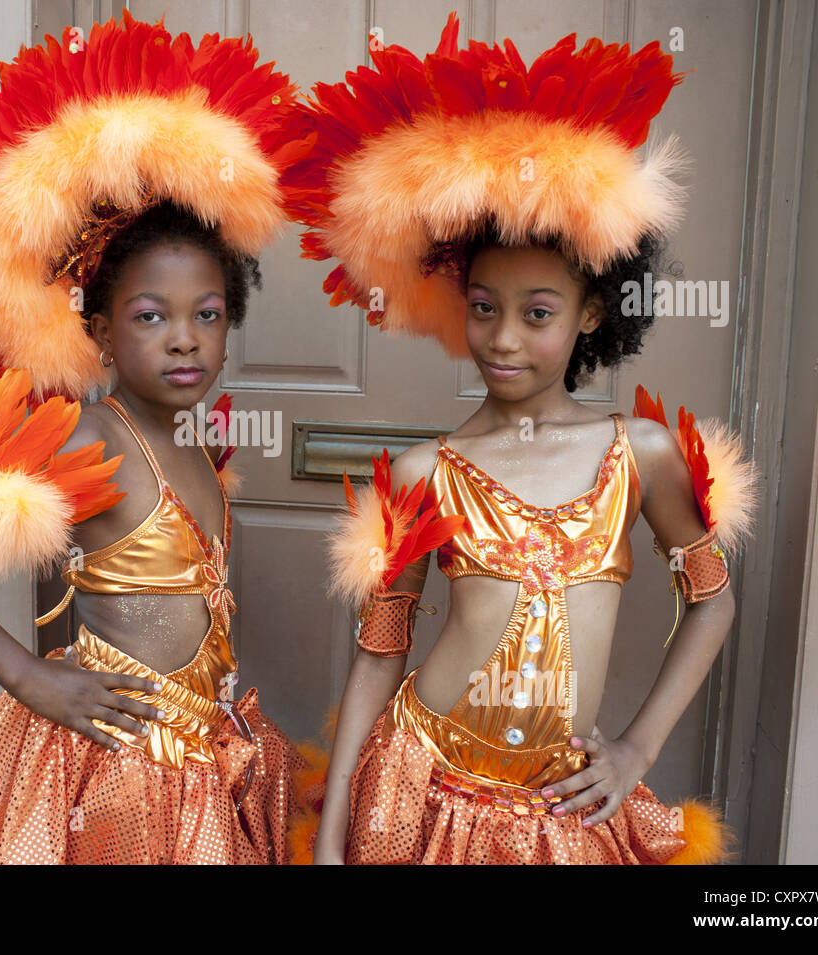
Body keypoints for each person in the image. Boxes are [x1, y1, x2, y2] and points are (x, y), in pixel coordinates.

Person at [281, 12, 758, 864]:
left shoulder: (639, 455)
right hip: (420, 789)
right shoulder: (427, 470)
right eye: (484, 307)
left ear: (592, 314)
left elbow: (714, 598)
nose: (503, 338)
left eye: (538, 313)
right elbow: (378, 656)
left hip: (557, 806)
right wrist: (333, 833)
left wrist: (638, 748)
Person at [0, 13, 318, 864]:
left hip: (205, 755)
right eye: (151, 317)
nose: (184, 338)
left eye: (208, 315)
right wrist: (28, 673)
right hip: (120, 769)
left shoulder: (199, 448)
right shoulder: (85, 432)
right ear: (105, 334)